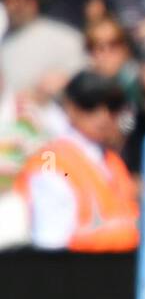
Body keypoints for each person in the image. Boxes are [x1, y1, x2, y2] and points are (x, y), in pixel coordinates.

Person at [11, 69, 138, 251]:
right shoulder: (52, 164)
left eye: (112, 106)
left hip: (119, 267)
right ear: (70, 107)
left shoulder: (112, 160)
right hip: (78, 272)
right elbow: (50, 246)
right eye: (90, 104)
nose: (103, 115)